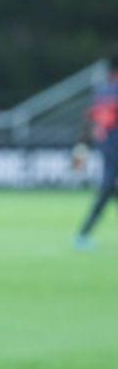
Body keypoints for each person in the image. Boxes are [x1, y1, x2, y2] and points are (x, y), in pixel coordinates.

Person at [73, 47, 118, 250]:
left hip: (107, 145)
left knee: (109, 188)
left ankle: (83, 235)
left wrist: (82, 145)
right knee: (108, 187)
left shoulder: (103, 90)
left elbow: (91, 120)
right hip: (113, 145)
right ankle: (82, 236)